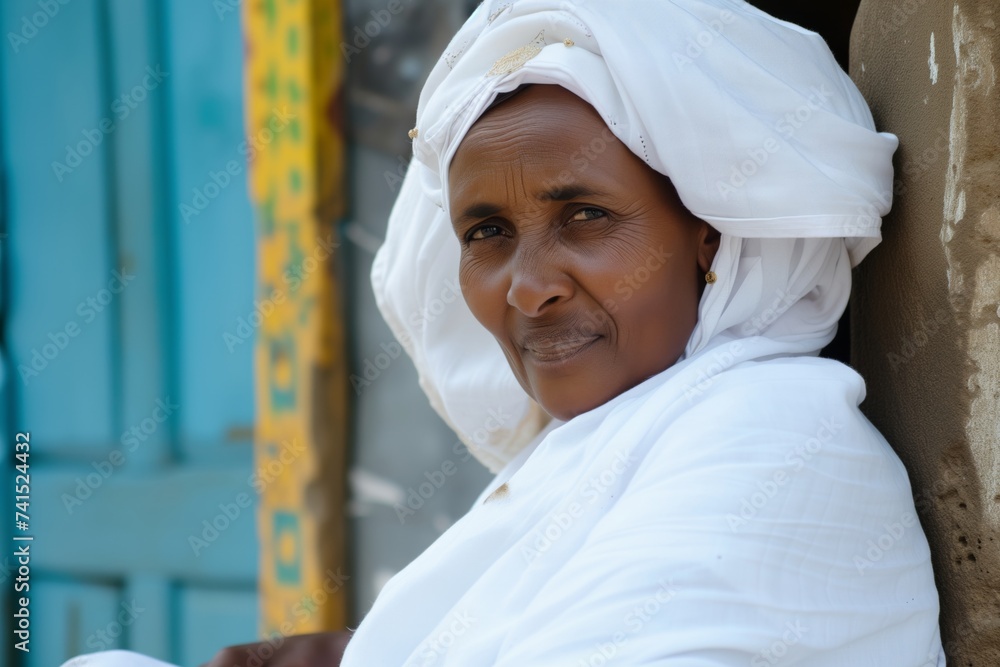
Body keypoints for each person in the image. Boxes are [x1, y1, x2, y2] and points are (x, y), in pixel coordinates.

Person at [64, 0, 945, 665]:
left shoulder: (781, 441)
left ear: (710, 232)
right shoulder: (618, 443)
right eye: (486, 231)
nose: (526, 289)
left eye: (586, 215)